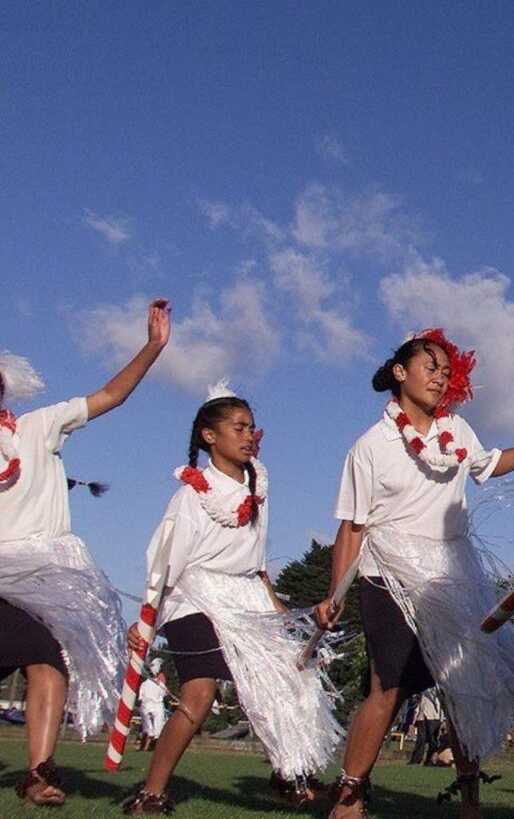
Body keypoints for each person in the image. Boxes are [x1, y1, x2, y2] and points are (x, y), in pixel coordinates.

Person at [317, 330, 514, 819]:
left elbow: (488, 465)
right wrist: (334, 592)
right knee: (387, 683)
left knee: (460, 685)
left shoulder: (457, 430)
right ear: (400, 373)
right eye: (429, 367)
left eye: (446, 372)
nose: (440, 377)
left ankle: (469, 799)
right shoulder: (371, 446)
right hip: (386, 572)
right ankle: (348, 798)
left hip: (450, 571)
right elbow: (352, 527)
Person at [122, 383, 342, 814]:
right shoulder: (191, 495)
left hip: (245, 597)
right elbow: (164, 564)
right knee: (200, 693)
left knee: (291, 680)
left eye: (252, 429)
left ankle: (291, 776)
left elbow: (257, 564)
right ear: (209, 436)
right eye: (239, 428)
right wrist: (144, 621)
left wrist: (284, 616)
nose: (248, 436)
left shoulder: (258, 487)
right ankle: (153, 790)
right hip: (194, 595)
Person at [0, 299, 170, 807]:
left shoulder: (38, 427)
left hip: (42, 572)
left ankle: (37, 773)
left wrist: (154, 347)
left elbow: (111, 395)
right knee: (41, 657)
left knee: (47, 659)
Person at [135, 660, 168, 753]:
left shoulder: (155, 684)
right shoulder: (148, 684)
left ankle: (148, 746)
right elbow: (165, 694)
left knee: (153, 728)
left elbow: (140, 698)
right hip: (150, 705)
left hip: (152, 705)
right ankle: (146, 745)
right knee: (151, 729)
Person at [409, 689, 446, 766]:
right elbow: (421, 700)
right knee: (420, 739)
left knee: (432, 741)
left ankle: (430, 761)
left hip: (434, 716)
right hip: (422, 715)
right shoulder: (425, 688)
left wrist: (442, 719)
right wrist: (416, 714)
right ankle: (415, 760)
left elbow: (438, 699)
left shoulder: (437, 688)